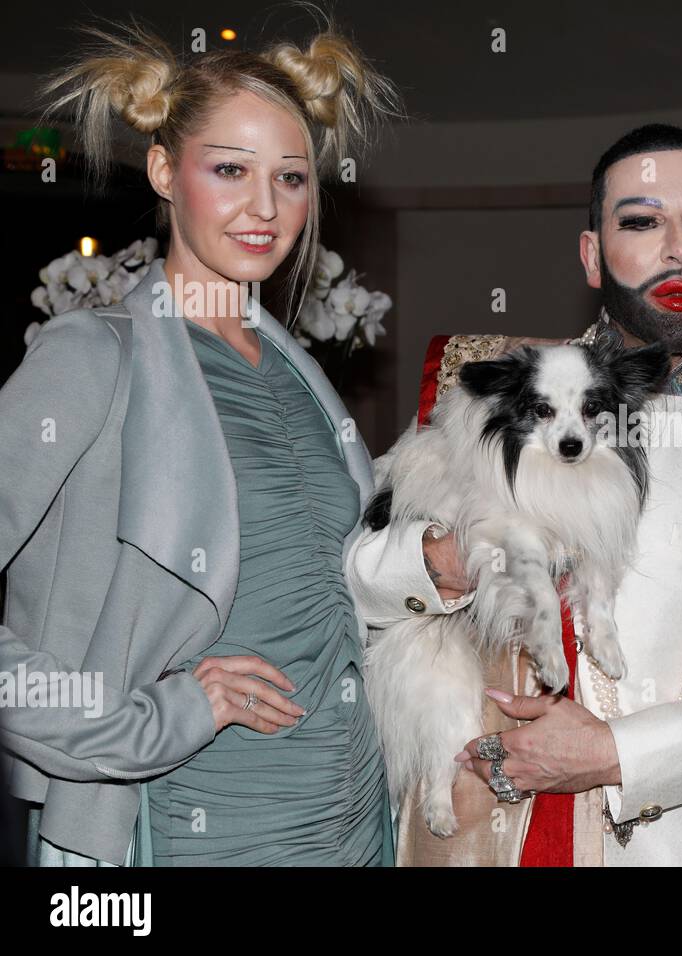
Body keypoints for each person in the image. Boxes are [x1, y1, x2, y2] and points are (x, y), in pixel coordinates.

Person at [347, 123, 682, 865]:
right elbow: (352, 583)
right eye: (642, 221)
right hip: (460, 832)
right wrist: (453, 560)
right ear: (592, 256)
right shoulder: (495, 386)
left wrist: (615, 754)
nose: (681, 246)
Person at [0, 16, 441, 865]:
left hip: (354, 826)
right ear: (164, 170)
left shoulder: (299, 373)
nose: (265, 208)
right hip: (196, 829)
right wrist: (151, 721)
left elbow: (337, 589)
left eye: (291, 177)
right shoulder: (92, 358)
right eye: (230, 170)